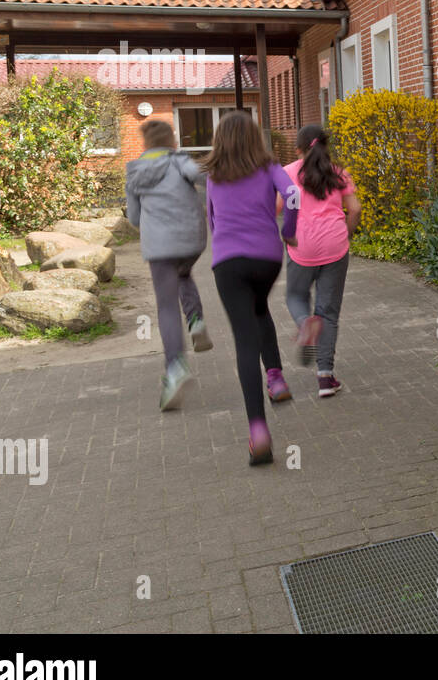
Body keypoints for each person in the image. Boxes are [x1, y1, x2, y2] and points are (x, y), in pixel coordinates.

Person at [203, 111, 299, 466]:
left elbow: (212, 219)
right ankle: (275, 378)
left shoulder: (214, 175)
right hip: (267, 259)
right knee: (260, 310)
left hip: (229, 262)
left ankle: (258, 431)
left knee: (245, 337)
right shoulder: (268, 165)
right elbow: (292, 194)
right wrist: (288, 231)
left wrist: (225, 243)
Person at [125, 119, 212, 411]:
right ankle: (196, 320)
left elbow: (135, 219)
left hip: (160, 245)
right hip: (191, 240)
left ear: (146, 144)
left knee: (165, 305)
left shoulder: (135, 171)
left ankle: (175, 368)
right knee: (184, 273)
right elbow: (206, 179)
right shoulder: (180, 162)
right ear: (172, 141)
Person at [280, 125, 360, 397]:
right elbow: (355, 209)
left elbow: (275, 208)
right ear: (326, 146)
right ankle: (325, 377)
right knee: (329, 311)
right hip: (335, 245)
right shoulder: (338, 173)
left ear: (298, 148)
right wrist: (346, 233)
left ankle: (305, 324)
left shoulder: (288, 173)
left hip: (302, 246)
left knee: (295, 296)